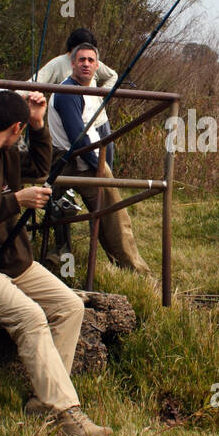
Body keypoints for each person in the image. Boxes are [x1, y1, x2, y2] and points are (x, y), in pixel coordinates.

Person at [0, 88, 112, 436]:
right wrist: (17, 200)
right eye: (24, 129)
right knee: (31, 317)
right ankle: (66, 414)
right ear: (15, 127)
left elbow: (41, 166)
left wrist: (40, 124)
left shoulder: (4, 151)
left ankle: (42, 400)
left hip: (12, 260)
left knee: (70, 306)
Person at [50, 43, 149, 274]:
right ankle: (137, 273)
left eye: (90, 60)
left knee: (108, 217)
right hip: (78, 164)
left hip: (84, 160)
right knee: (116, 220)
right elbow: (79, 138)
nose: (86, 64)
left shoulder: (82, 89)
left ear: (97, 66)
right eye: (81, 60)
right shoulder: (69, 92)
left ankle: (123, 266)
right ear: (72, 63)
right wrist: (100, 170)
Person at [33, 27, 118, 87]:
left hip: (94, 110)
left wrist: (100, 96)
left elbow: (113, 75)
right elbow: (35, 81)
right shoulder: (58, 63)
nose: (86, 64)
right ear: (72, 47)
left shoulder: (93, 63)